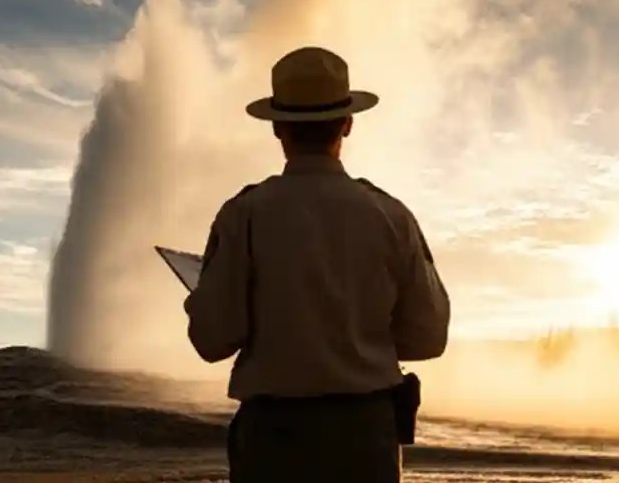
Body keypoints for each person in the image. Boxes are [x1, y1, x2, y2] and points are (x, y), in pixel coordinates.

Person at [183, 46, 451, 483]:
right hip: (366, 438)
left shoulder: (244, 214)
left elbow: (212, 340)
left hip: (273, 439)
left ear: (277, 127)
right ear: (347, 122)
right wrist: (354, 336)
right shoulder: (391, 216)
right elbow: (428, 337)